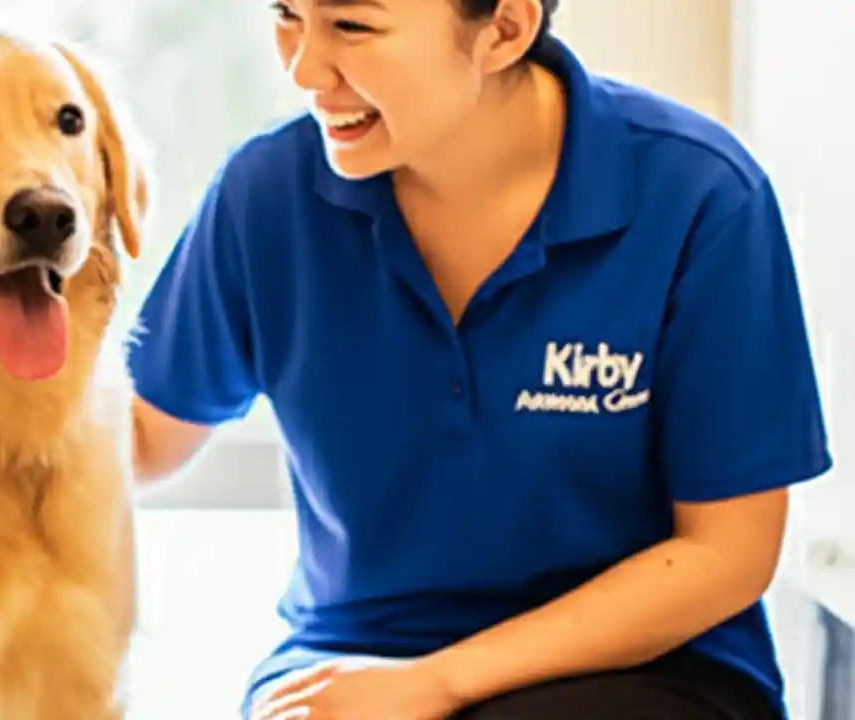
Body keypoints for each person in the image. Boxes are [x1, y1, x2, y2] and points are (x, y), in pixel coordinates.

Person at [125, 0, 833, 718]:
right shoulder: (265, 196)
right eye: (286, 14)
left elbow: (728, 554)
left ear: (504, 29)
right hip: (356, 656)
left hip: (649, 663)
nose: (303, 67)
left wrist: (440, 683)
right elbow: (142, 438)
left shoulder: (700, 195)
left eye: (352, 27)